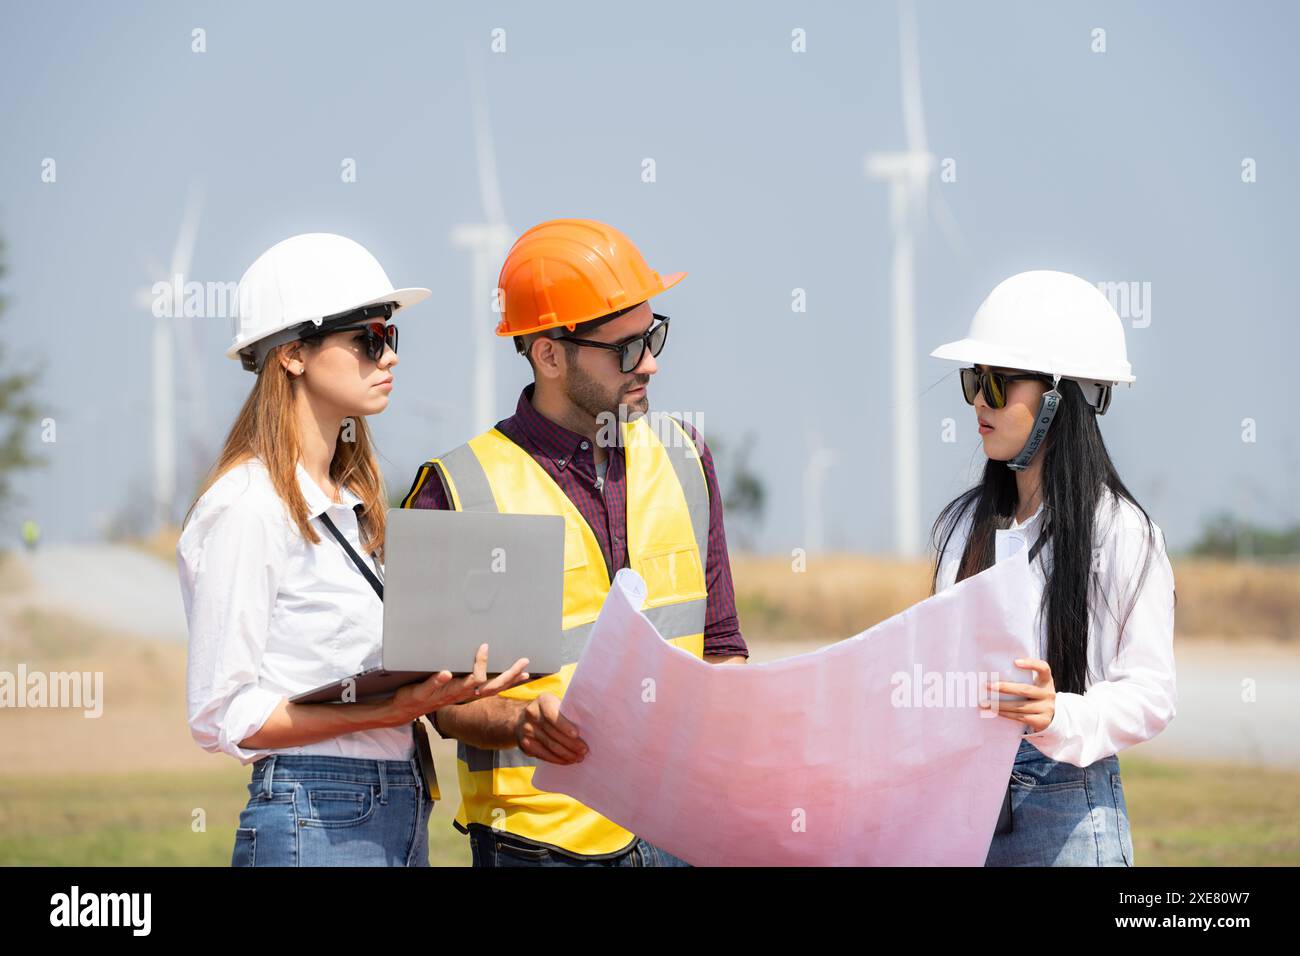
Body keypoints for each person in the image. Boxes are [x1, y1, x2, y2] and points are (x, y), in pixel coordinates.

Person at [401, 218, 748, 867]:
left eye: (654, 335)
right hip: (540, 843)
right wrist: (523, 723)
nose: (650, 362)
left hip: (682, 828)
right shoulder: (461, 487)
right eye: (625, 348)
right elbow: (439, 701)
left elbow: (723, 645)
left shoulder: (685, 457)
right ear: (549, 353)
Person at [178, 233, 528, 867]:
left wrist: (447, 682)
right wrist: (393, 707)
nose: (389, 357)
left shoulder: (352, 502)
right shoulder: (247, 506)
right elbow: (222, 715)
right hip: (315, 811)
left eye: (392, 337)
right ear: (292, 355)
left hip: (398, 802)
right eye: (369, 339)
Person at [928, 269, 1177, 866]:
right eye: (972, 380)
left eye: (996, 382)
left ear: (1059, 399)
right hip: (965, 805)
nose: (980, 402)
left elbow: (1150, 693)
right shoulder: (965, 527)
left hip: (1069, 811)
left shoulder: (1120, 531)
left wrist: (1057, 713)